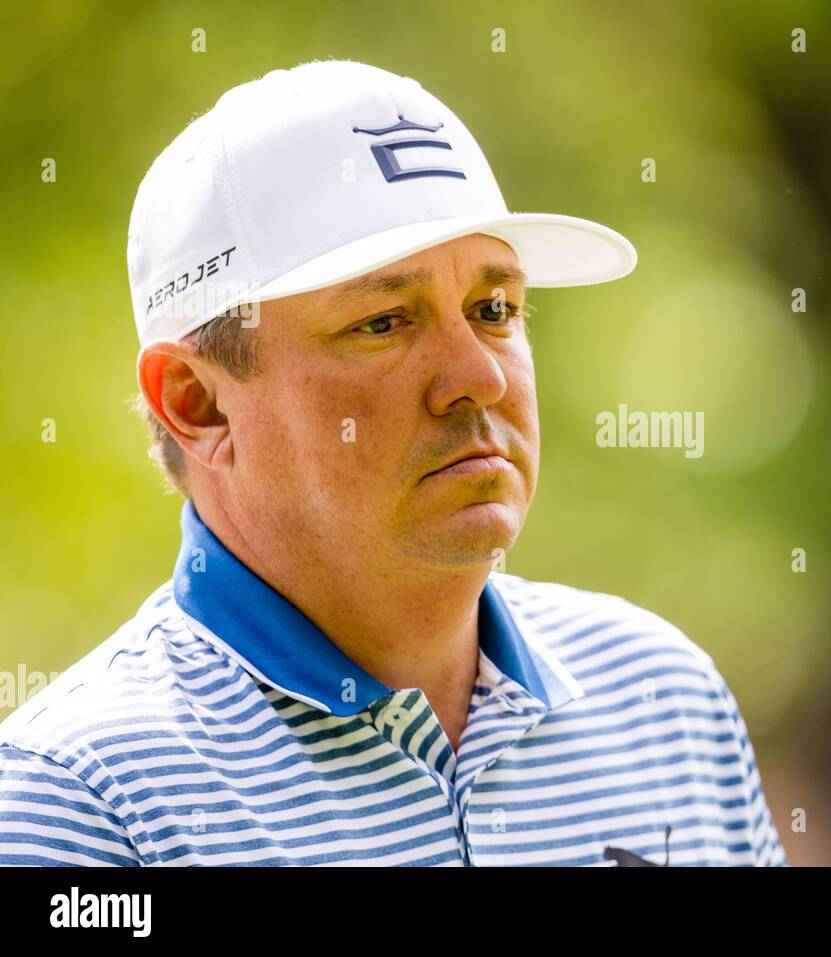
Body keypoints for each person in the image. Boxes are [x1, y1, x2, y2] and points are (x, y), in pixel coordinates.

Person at [0, 60, 787, 866]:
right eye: (382, 322)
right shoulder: (76, 806)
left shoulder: (668, 703)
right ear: (197, 403)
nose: (479, 376)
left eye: (494, 309)